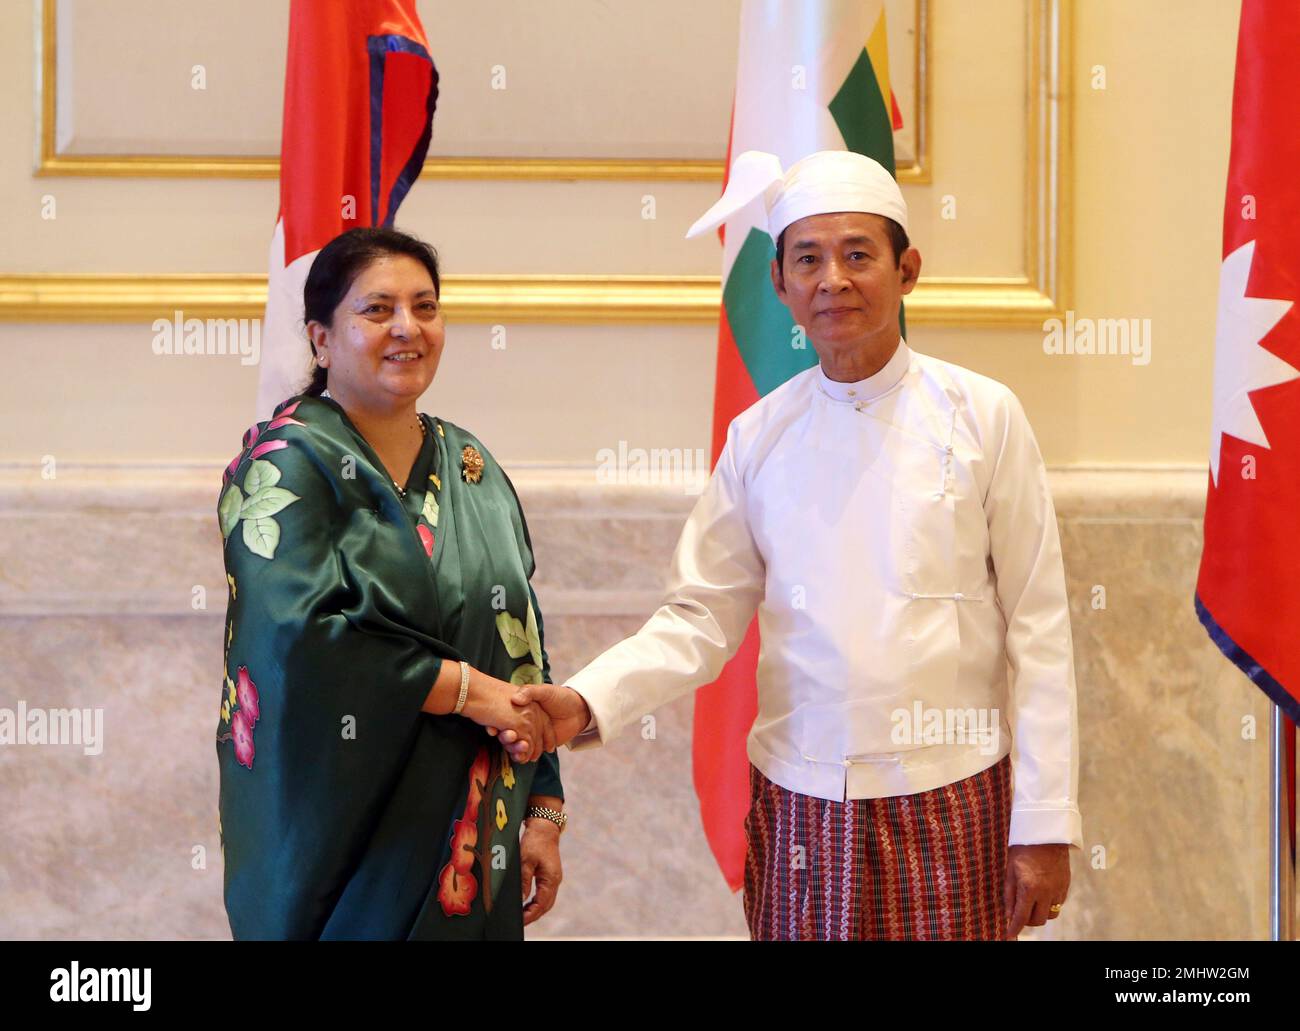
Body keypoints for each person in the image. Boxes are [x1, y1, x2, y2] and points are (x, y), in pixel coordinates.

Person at [510, 150, 1082, 941]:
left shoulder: (983, 415)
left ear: (907, 269)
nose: (833, 280)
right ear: (779, 284)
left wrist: (1045, 821)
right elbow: (700, 617)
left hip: (952, 797)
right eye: (808, 259)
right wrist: (586, 700)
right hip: (802, 805)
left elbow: (1041, 627)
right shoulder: (760, 435)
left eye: (858, 255)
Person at [216, 226, 565, 940]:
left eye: (425, 306)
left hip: (473, 840)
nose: (408, 327)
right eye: (377, 310)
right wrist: (468, 691)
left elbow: (519, 639)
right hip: (337, 833)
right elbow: (302, 642)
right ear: (321, 338)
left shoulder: (473, 463)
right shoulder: (285, 466)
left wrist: (544, 807)